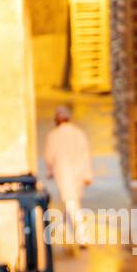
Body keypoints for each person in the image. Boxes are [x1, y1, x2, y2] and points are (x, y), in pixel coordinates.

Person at [42, 105, 94, 255]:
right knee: (70, 203)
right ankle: (69, 236)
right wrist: (87, 174)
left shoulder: (54, 135)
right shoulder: (78, 133)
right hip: (77, 174)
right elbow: (85, 154)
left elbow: (48, 155)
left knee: (72, 204)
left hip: (64, 174)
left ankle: (82, 237)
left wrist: (49, 170)